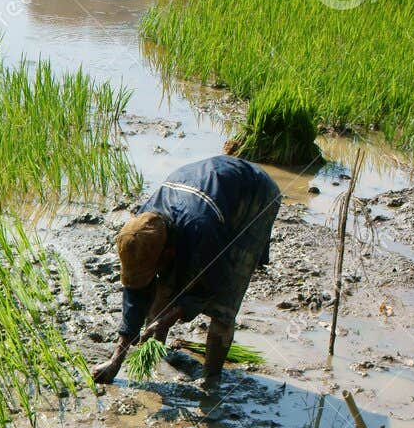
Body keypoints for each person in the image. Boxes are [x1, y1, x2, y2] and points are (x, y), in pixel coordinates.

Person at [91, 154, 282, 387]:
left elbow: (213, 285)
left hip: (254, 196)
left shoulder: (202, 230)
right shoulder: (143, 224)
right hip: (205, 197)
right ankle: (156, 351)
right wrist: (115, 361)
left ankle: (212, 378)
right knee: (165, 286)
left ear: (169, 253)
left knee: (225, 303)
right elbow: (136, 293)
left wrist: (170, 317)